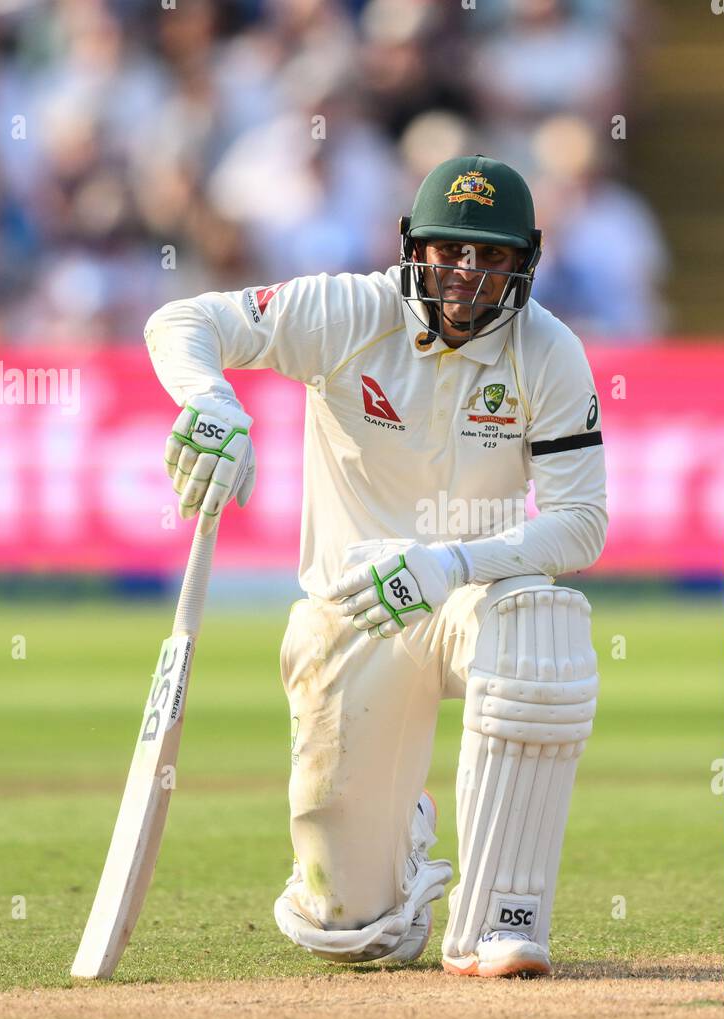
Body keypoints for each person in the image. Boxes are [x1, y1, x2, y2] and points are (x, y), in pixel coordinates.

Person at [143, 154, 606, 977]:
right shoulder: (348, 309)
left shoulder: (549, 351)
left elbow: (581, 526)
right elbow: (184, 322)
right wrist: (212, 403)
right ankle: (395, 840)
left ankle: (502, 917)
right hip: (354, 612)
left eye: (491, 256)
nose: (467, 274)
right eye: (449, 252)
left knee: (542, 626)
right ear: (413, 249)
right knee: (346, 928)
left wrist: (451, 563)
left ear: (524, 262)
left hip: (473, 600)